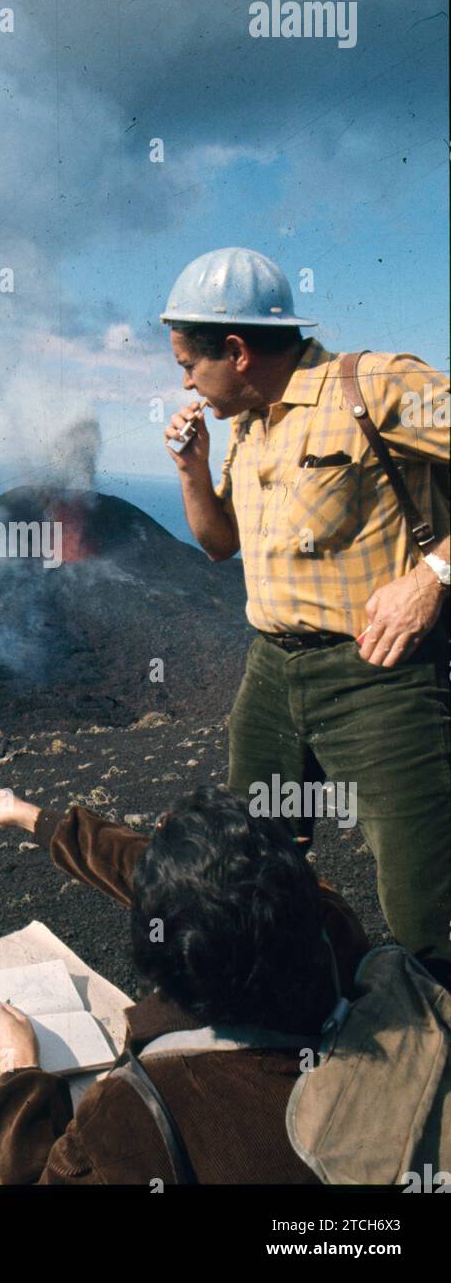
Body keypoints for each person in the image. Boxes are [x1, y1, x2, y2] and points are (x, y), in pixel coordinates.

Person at [0, 784, 370, 1186]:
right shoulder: (327, 928)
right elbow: (157, 871)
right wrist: (29, 815)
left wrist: (16, 1074)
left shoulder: (142, 1115)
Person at [161, 248, 450, 989]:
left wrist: (433, 576)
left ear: (237, 349)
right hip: (272, 672)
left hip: (377, 675)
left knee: (424, 899)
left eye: (189, 363)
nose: (184, 382)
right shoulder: (248, 423)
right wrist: (193, 470)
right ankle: (278, 1038)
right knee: (248, 867)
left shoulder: (375, 387)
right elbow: (221, 543)